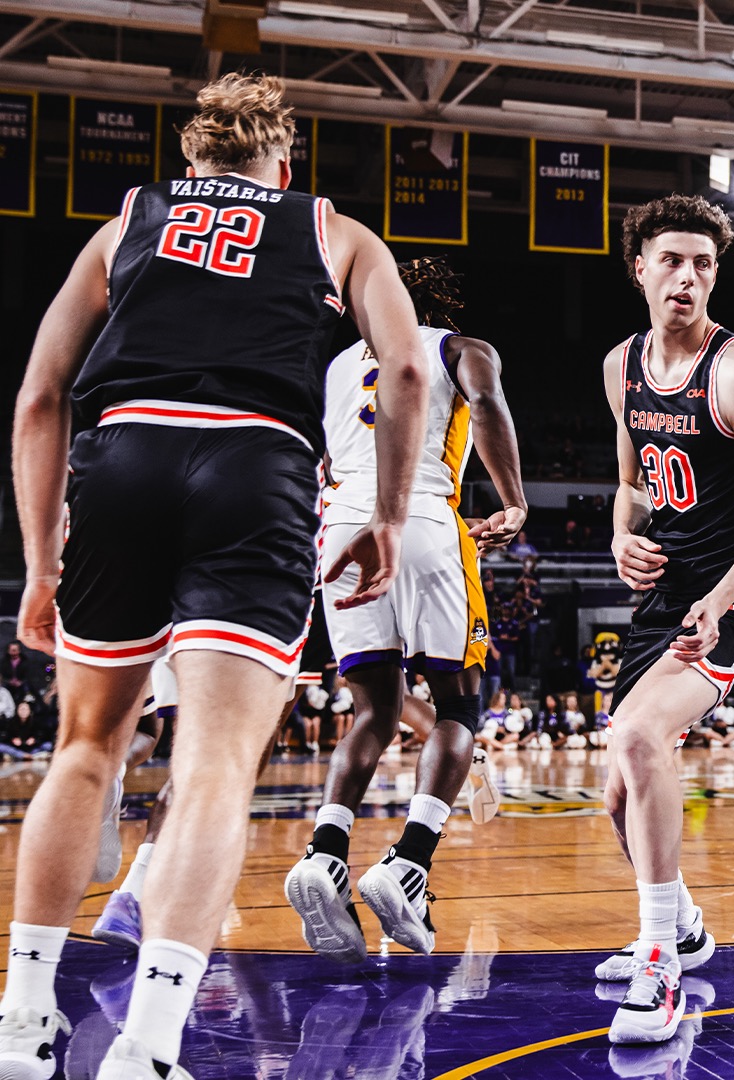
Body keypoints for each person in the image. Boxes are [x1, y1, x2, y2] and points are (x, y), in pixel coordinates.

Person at [0, 73, 429, 1080]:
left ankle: (22, 1017)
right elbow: (406, 370)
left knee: (85, 747)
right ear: (284, 168)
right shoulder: (335, 230)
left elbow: (37, 396)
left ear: (193, 162)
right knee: (215, 768)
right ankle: (148, 1044)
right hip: (255, 467)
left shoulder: (125, 225)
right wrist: (391, 516)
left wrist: (38, 559)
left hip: (126, 458)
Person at [282, 256, 527, 963]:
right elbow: (485, 405)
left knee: (372, 713)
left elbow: (327, 464)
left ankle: (325, 851)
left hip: (340, 530)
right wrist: (511, 499)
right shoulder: (456, 347)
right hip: (420, 519)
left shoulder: (337, 367)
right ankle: (410, 862)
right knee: (457, 709)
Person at [589, 195, 734, 1046]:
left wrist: (720, 598)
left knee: (637, 742)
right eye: (671, 259)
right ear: (639, 268)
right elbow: (634, 479)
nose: (687, 276)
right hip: (659, 598)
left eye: (703, 263)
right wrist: (617, 536)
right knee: (616, 799)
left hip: (729, 597)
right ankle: (688, 926)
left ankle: (660, 960)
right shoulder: (620, 365)